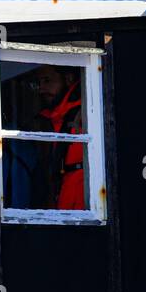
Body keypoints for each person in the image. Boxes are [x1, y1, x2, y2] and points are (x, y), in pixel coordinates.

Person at [27, 65, 85, 210]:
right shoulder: (53, 118)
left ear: (68, 79)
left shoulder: (87, 112)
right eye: (38, 83)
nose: (41, 88)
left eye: (47, 80)